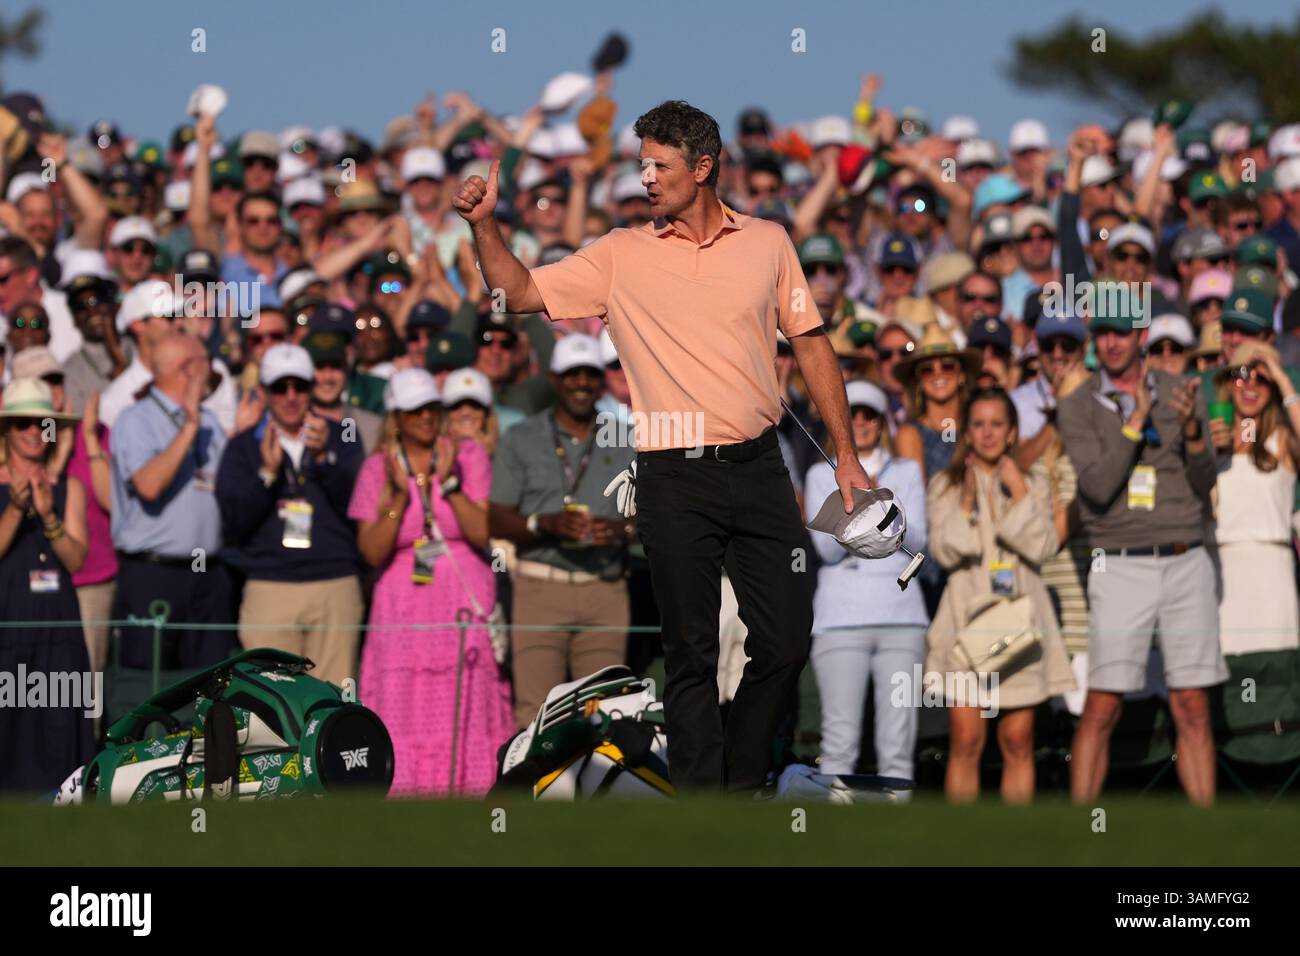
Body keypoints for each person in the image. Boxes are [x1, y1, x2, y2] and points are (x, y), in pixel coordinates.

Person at [456, 99, 869, 792]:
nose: (646, 177)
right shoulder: (620, 253)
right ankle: (711, 810)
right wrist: (484, 225)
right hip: (672, 476)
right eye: (641, 164)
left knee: (786, 641)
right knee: (691, 654)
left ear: (704, 167)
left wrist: (848, 455)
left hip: (761, 465)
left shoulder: (769, 242)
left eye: (660, 165)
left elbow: (812, 342)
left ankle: (739, 783)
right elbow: (517, 290)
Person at [1056, 294, 1224, 807]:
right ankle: (1080, 833)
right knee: (1102, 704)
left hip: (1185, 554)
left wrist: (1193, 431)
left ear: (1140, 336)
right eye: (1103, 332)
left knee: (1192, 704)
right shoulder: (1076, 405)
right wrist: (1135, 425)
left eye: (1122, 332)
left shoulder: (1181, 390)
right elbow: (1097, 489)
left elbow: (1205, 479)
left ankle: (1209, 838)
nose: (1112, 342)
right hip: (1120, 563)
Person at [347, 368, 511, 796]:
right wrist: (400, 497)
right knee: (402, 701)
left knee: (468, 695)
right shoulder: (376, 469)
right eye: (414, 410)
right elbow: (371, 550)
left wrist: (450, 484)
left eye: (431, 409)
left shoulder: (468, 456)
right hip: (401, 607)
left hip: (462, 598)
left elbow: (480, 532)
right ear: (396, 416)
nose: (425, 418)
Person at [926, 387, 1075, 803]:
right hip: (964, 620)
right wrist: (968, 501)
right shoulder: (945, 484)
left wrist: (1020, 492)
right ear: (967, 432)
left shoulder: (1031, 484)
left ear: (1012, 432)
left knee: (1018, 741)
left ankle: (1014, 844)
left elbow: (1043, 548)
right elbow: (945, 550)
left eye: (997, 425)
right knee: (967, 740)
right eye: (979, 424)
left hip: (1020, 623)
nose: (988, 434)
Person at [487, 335, 636, 727]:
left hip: (604, 585)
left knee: (605, 716)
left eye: (590, 374)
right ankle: (537, 789)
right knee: (537, 716)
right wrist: (543, 523)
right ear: (553, 379)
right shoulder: (522, 437)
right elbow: (497, 517)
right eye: (572, 375)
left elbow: (651, 516)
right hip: (540, 587)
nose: (582, 383)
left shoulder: (625, 438)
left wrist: (620, 530)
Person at [215, 344, 366, 686]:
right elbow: (233, 522)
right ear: (265, 392)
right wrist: (266, 477)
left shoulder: (342, 436)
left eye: (300, 386)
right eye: (281, 388)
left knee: (333, 702)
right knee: (271, 702)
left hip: (333, 583)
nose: (291, 396)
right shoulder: (243, 446)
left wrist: (326, 459)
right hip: (270, 585)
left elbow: (358, 507)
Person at [805, 380, 928, 783]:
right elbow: (826, 552)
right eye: (852, 414)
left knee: (898, 746)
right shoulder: (817, 473)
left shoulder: (906, 469)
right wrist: (872, 511)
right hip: (839, 621)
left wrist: (870, 507)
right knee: (839, 744)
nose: (860, 422)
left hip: (902, 618)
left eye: (869, 415)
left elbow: (919, 539)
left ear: (881, 423)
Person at [109, 333, 235, 677]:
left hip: (208, 575)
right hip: (153, 574)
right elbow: (149, 486)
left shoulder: (210, 421)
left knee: (211, 692)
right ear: (188, 370)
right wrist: (188, 428)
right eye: (204, 362)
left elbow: (228, 488)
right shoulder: (135, 420)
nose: (211, 369)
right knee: (148, 688)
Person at [0, 377, 94, 792]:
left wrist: (49, 518)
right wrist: (17, 510)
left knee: (59, 719)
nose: (35, 433)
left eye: (43, 424)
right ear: (7, 430)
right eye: (24, 424)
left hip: (58, 624)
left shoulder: (67, 487)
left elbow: (77, 558)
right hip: (8, 618)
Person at [1208, 342, 1300, 656]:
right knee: (1228, 683)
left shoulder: (1283, 441)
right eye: (1242, 375)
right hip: (1221, 573)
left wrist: (1284, 381)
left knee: (1272, 686)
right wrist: (1206, 448)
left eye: (1262, 379)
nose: (1250, 385)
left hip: (1271, 575)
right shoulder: (1211, 442)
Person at [894, 325, 981, 483]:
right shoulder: (910, 435)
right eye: (927, 369)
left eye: (947, 366)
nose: (938, 373)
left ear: (961, 375)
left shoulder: (978, 425)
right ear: (919, 381)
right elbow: (916, 496)